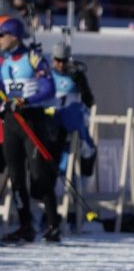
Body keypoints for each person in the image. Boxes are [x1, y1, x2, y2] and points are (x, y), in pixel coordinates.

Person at [0, 17, 62, 243]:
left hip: (32, 120)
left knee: (39, 175)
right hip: (11, 122)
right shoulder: (3, 62)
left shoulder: (33, 58)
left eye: (1, 36)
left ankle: (53, 223)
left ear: (13, 37)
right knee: (15, 177)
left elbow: (49, 89)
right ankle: (25, 225)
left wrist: (25, 101)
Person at [49, 42, 97, 178]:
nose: (60, 65)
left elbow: (89, 101)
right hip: (52, 120)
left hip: (71, 120)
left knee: (85, 144)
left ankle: (85, 164)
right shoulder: (48, 75)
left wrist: (80, 83)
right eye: (57, 61)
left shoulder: (76, 76)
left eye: (64, 61)